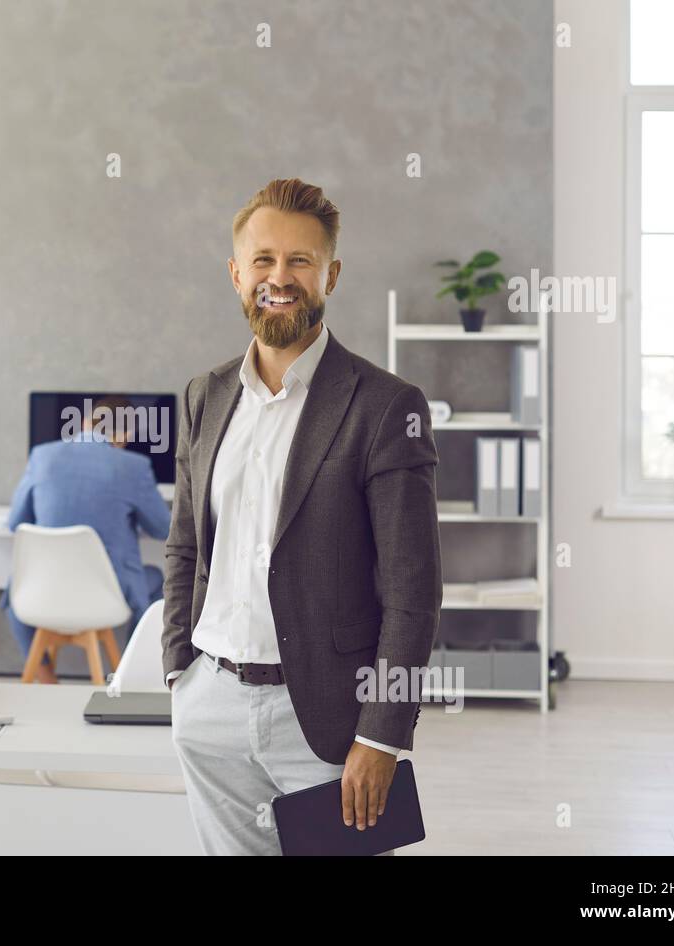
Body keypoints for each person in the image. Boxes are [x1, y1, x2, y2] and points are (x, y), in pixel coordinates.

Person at [163, 178, 442, 855]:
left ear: (330, 274)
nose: (278, 277)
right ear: (237, 274)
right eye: (262, 260)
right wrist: (180, 672)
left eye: (299, 261)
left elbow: (413, 591)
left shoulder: (384, 406)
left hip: (327, 719)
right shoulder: (205, 394)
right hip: (211, 708)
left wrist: (381, 733)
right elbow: (185, 547)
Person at [2, 396, 171, 683]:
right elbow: (162, 529)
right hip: (106, 596)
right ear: (125, 434)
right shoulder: (133, 466)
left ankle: (44, 674)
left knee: (12, 590)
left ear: (83, 423)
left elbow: (15, 522)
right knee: (158, 581)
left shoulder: (42, 455)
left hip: (41, 593)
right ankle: (129, 673)